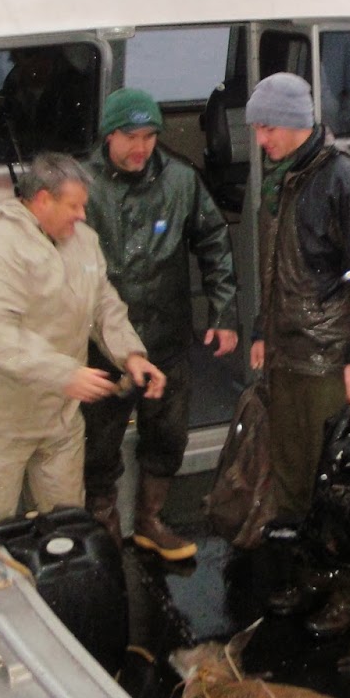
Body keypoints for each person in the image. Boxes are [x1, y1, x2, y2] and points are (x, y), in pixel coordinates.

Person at [246, 71, 350, 637]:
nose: (260, 140)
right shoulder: (284, 179)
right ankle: (314, 573)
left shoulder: (343, 183)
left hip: (328, 365)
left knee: (338, 481)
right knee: (292, 481)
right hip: (287, 359)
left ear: (293, 123)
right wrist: (263, 329)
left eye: (266, 128)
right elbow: (276, 269)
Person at [0, 152, 166, 526]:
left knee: (67, 527)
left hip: (58, 420)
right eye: (74, 206)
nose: (82, 215)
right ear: (43, 200)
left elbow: (103, 304)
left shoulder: (83, 241)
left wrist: (130, 355)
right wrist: (65, 373)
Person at [82, 87, 239, 562]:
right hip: (101, 349)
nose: (142, 147)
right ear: (110, 134)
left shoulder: (181, 180)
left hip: (167, 338)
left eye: (151, 135)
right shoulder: (82, 185)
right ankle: (104, 532)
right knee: (97, 448)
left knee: (168, 436)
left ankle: (150, 519)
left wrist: (223, 313)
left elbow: (213, 240)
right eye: (131, 135)